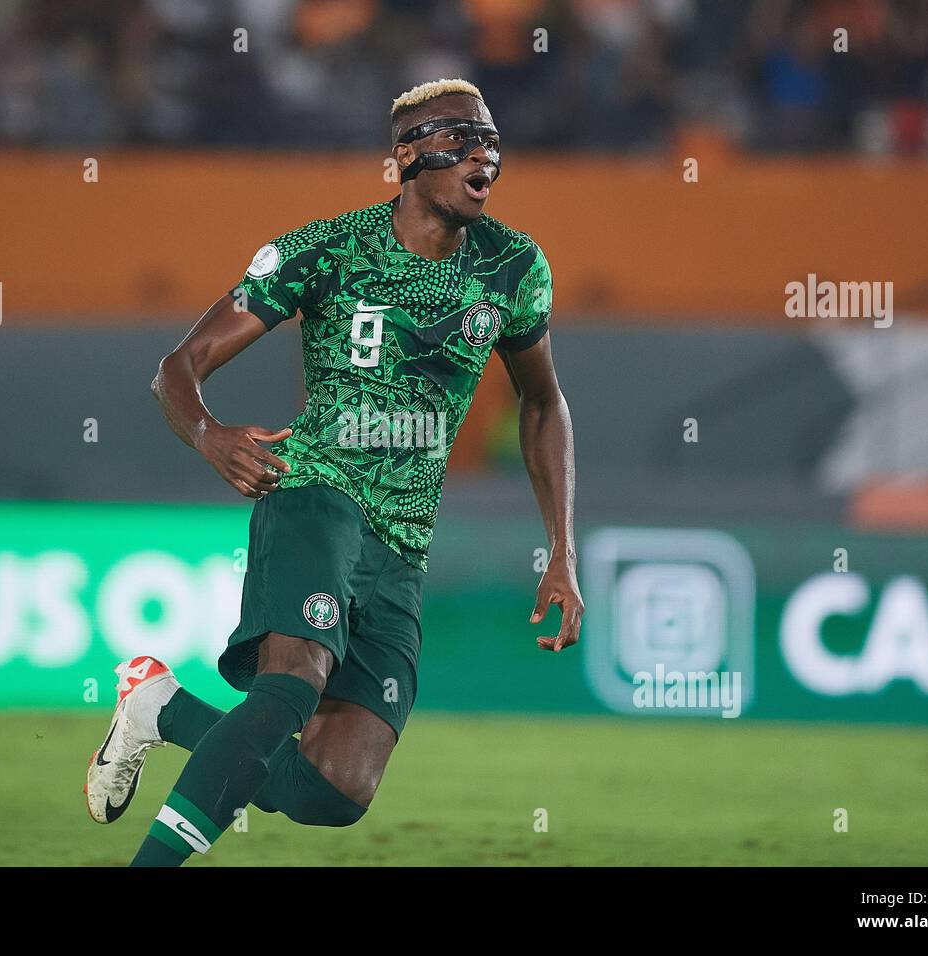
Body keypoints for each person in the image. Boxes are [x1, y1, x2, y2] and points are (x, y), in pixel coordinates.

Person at [85, 78, 582, 866]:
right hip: (316, 498)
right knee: (289, 690)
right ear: (412, 156)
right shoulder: (326, 250)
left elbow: (542, 403)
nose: (485, 154)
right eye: (464, 137)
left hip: (402, 546)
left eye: (493, 138)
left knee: (333, 791)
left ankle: (162, 708)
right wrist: (210, 436)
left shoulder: (513, 266)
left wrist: (560, 549)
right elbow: (178, 367)